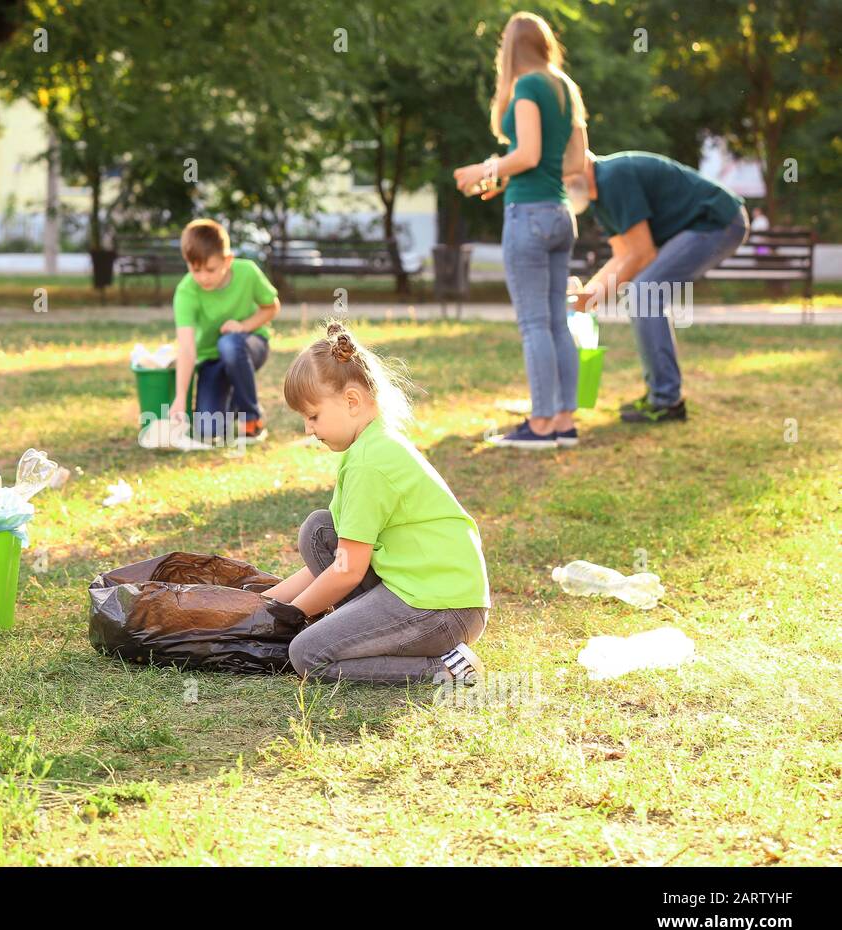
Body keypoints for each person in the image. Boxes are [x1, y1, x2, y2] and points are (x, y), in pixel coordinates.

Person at [262, 322, 491, 686]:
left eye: (313, 416)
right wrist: (266, 604)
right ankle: (357, 631)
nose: (308, 429)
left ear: (351, 401)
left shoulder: (371, 461)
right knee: (320, 530)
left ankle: (446, 668)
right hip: (414, 588)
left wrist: (285, 619)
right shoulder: (368, 446)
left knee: (307, 655)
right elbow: (338, 555)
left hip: (442, 609)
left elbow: (348, 571)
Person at [454, 11, 588, 451]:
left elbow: (527, 153)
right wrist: (506, 177)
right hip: (558, 212)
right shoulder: (564, 87)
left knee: (534, 325)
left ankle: (542, 424)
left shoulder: (528, 86)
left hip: (528, 216)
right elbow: (571, 163)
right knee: (556, 323)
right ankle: (564, 421)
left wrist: (485, 168)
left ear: (510, 48)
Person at [565, 151, 749, 423]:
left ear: (581, 164)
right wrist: (589, 296)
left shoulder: (614, 178)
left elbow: (642, 255)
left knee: (643, 292)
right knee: (642, 291)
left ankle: (666, 399)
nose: (562, 185)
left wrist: (592, 299)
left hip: (716, 221)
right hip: (701, 226)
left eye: (564, 176)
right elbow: (622, 256)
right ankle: (661, 394)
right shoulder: (601, 201)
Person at [170, 219, 280, 445]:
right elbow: (187, 348)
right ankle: (230, 404)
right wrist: (180, 398)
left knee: (229, 344)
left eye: (210, 269)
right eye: (195, 269)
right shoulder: (186, 291)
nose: (202, 277)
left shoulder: (247, 272)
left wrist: (243, 327)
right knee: (207, 430)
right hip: (212, 359)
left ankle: (251, 418)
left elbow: (272, 307)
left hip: (250, 345)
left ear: (227, 260)